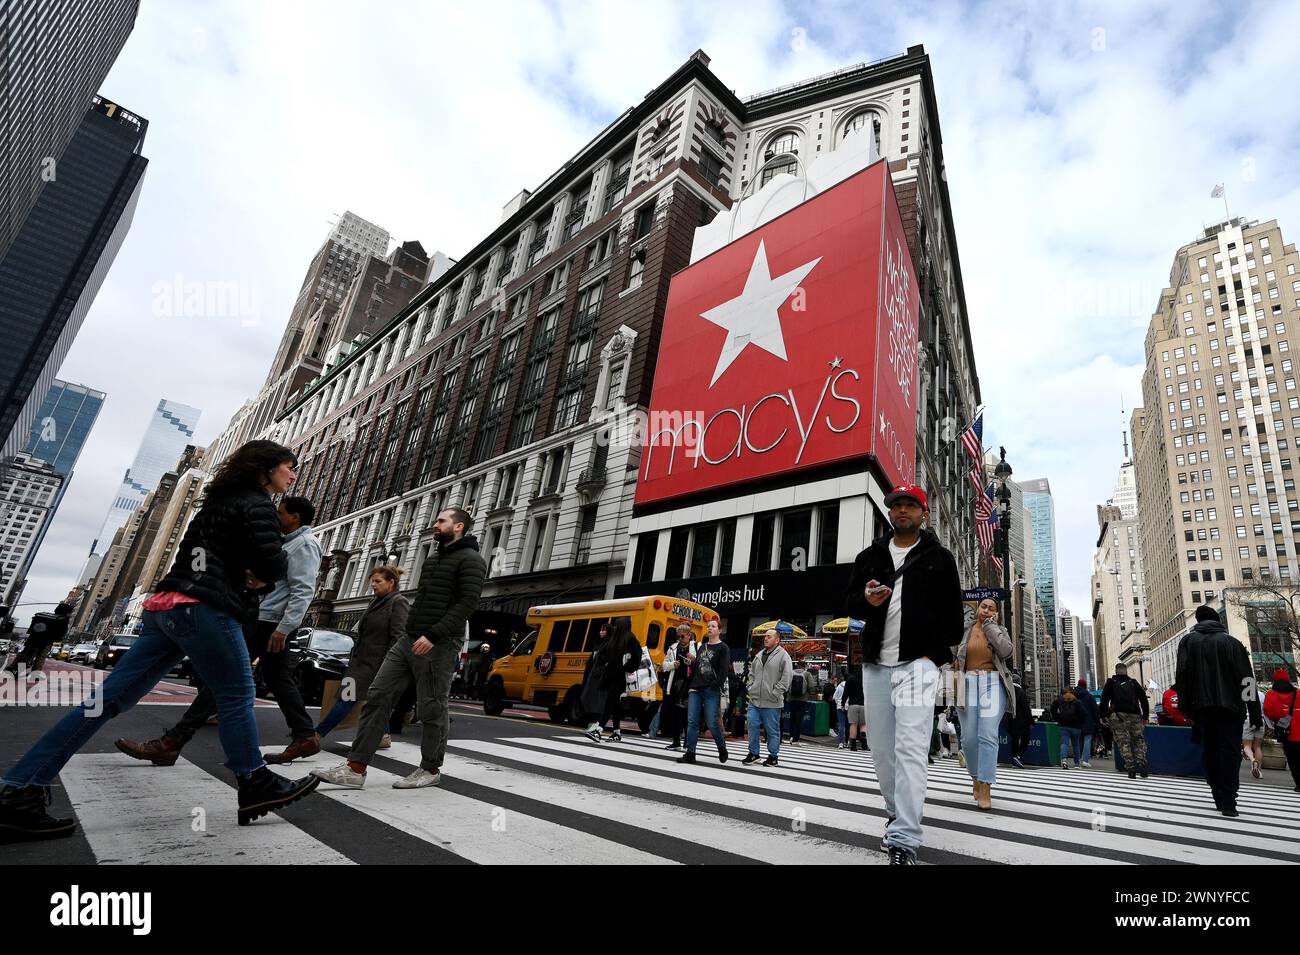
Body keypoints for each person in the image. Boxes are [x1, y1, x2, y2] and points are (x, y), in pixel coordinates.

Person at [0, 441, 320, 838]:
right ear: (267, 468)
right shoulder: (258, 506)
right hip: (205, 610)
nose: (293, 475)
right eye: (289, 467)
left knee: (105, 701)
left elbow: (195, 556)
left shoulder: (215, 503)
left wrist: (240, 571)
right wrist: (256, 576)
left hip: (166, 607)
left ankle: (19, 789)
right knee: (237, 695)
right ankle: (255, 783)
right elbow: (273, 564)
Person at [115, 495, 325, 766]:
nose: (276, 516)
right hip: (264, 618)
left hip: (269, 623)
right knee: (276, 679)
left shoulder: (305, 545)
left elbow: (303, 590)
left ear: (295, 517)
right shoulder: (289, 542)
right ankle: (305, 735)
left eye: (281, 513)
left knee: (226, 675)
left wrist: (284, 628)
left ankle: (172, 742)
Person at [311, 507, 485, 790]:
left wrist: (433, 634)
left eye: (442, 520)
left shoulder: (472, 560)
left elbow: (467, 604)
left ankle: (430, 768)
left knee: (431, 706)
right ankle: (355, 768)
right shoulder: (433, 559)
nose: (435, 523)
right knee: (378, 695)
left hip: (439, 644)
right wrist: (412, 631)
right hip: (409, 639)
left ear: (459, 527)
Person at [844, 483, 962, 865]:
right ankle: (897, 812)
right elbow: (846, 605)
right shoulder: (870, 556)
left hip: (917, 665)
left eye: (911, 505)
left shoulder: (940, 558)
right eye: (897, 505)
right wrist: (865, 599)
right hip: (876, 663)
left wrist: (933, 657)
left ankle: (904, 839)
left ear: (923, 512)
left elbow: (954, 620)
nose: (902, 511)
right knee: (881, 752)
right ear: (889, 512)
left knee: (911, 749)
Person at [1175, 605, 1261, 816]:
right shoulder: (1232, 643)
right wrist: (1254, 712)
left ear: (1198, 621)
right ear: (1218, 620)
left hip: (1201, 709)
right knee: (1230, 752)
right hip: (1231, 708)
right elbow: (1247, 679)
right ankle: (1229, 801)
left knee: (1209, 751)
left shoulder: (1188, 642)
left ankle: (1218, 794)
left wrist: (1186, 708)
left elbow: (1182, 677)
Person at [312, 565, 410, 745]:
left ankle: (316, 735)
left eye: (378, 581)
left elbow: (398, 637)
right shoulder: (375, 601)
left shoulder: (398, 602)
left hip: (375, 665)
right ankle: (383, 735)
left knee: (346, 699)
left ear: (391, 582)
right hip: (359, 663)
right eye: (372, 581)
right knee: (373, 704)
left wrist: (388, 667)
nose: (373, 584)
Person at [954, 598, 1015, 811]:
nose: (986, 610)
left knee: (987, 733)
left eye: (991, 608)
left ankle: (986, 785)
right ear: (977, 608)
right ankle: (975, 778)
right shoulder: (965, 631)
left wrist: (990, 626)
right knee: (969, 738)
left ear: (996, 612)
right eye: (983, 606)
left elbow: (1006, 652)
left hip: (992, 683)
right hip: (967, 683)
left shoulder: (1000, 630)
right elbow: (950, 655)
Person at [577, 619, 640, 743]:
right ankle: (616, 732)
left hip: (621, 676)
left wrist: (626, 668)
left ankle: (599, 729)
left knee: (610, 700)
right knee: (614, 703)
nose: (615, 627)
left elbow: (637, 656)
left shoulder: (629, 638)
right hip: (611, 675)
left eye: (617, 625)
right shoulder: (617, 638)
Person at [678, 618, 730, 764]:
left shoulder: (723, 648)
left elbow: (723, 670)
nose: (709, 628)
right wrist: (692, 662)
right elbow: (698, 668)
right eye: (708, 626)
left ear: (719, 630)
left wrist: (715, 685)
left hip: (711, 689)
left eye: (713, 626)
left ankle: (721, 747)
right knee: (692, 721)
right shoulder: (702, 647)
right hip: (696, 687)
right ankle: (690, 752)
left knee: (712, 722)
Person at [743, 628, 791, 767]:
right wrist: (750, 688)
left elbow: (787, 677)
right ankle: (753, 753)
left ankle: (773, 756)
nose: (765, 638)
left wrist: (775, 692)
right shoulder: (758, 655)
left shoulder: (783, 656)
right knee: (752, 726)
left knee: (772, 730)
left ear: (777, 640)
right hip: (755, 699)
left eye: (769, 636)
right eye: (765, 636)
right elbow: (751, 674)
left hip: (772, 701)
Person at [1099, 662, 1150, 779]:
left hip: (1118, 716)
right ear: (1126, 671)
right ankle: (1142, 766)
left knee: (1124, 743)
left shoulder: (1111, 683)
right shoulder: (1133, 682)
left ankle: (1131, 769)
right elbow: (1143, 699)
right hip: (1135, 716)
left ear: (1116, 671)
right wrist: (1145, 716)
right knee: (1139, 741)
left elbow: (1104, 700)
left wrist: (1103, 716)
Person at [655, 625, 693, 749]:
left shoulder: (696, 647)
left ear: (688, 635)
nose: (680, 638)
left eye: (682, 636)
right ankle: (676, 741)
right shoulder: (673, 648)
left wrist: (692, 662)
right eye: (678, 636)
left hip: (689, 685)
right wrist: (672, 664)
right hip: (675, 684)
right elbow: (663, 665)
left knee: (688, 715)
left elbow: (700, 664)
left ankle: (688, 742)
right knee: (676, 714)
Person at [1263, 668, 1300, 791]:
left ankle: (1299, 783)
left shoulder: (1271, 694)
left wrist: (1278, 718)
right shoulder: (1298, 693)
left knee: (1293, 759)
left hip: (1287, 732)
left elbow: (1268, 711)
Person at [1049, 687, 1086, 769]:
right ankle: (1076, 763)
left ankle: (1064, 760)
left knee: (1064, 743)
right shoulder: (1077, 702)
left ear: (1063, 693)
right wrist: (1080, 722)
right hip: (1076, 726)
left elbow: (1052, 708)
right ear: (1073, 693)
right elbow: (1084, 713)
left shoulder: (1060, 700)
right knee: (1076, 745)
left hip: (1063, 725)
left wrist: (1057, 718)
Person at [786, 655, 818, 746]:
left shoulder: (791, 673)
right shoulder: (807, 674)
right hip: (802, 700)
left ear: (797, 665)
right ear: (804, 666)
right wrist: (811, 692)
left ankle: (791, 737)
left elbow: (786, 684)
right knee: (799, 719)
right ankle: (796, 739)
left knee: (792, 718)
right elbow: (811, 686)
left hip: (791, 699)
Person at [1073, 679, 1100, 767]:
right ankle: (1085, 760)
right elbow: (1095, 711)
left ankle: (1078, 759)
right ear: (1085, 686)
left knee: (1078, 741)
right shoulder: (1089, 696)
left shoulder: (1073, 695)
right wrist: (1097, 722)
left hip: (1076, 721)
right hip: (1088, 721)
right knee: (1087, 740)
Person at [1009, 671, 1033, 768]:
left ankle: (1014, 757)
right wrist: (1031, 721)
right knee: (1025, 739)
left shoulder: (1008, 691)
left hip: (1010, 720)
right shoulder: (1020, 691)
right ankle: (1017, 756)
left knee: (1014, 739)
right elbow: (1026, 708)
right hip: (1021, 721)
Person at [832, 676, 849, 748]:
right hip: (848, 706)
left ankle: (840, 743)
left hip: (839, 706)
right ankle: (847, 741)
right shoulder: (850, 685)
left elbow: (834, 697)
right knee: (848, 725)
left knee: (841, 725)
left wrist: (838, 703)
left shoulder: (839, 686)